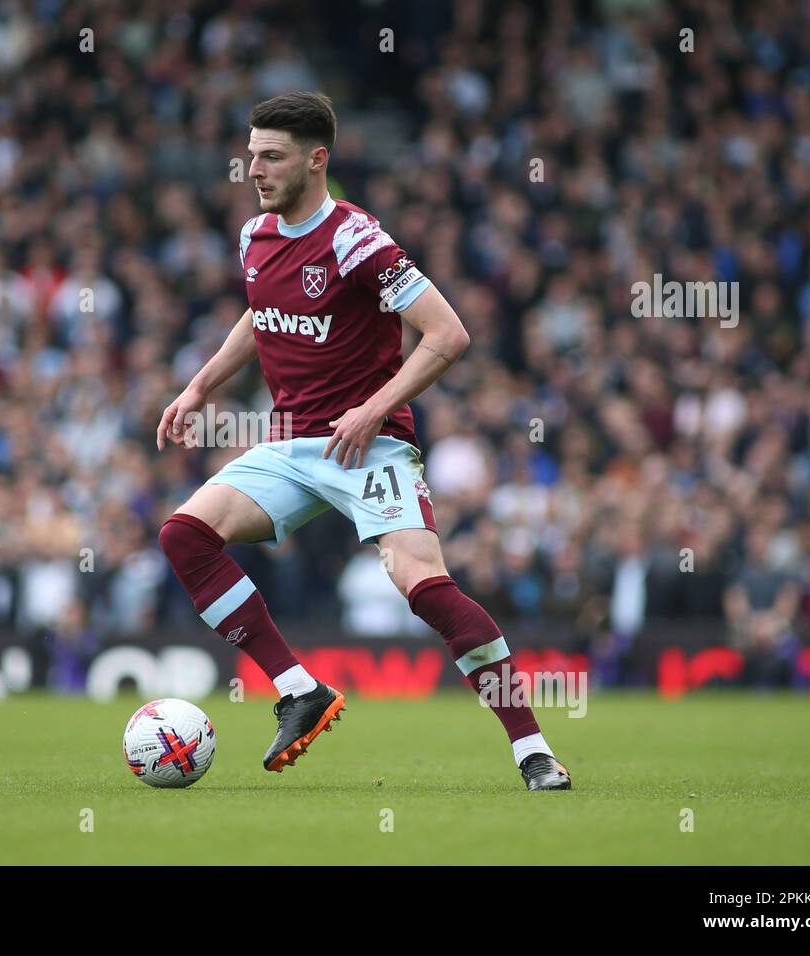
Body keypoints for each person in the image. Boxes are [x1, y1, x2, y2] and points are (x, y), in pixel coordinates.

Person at [156, 92, 570, 790]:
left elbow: (449, 334)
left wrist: (373, 411)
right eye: (252, 154)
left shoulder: (356, 239)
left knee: (425, 587)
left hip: (367, 447)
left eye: (272, 157)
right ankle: (299, 691)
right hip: (291, 446)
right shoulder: (254, 236)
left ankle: (532, 748)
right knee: (184, 536)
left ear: (317, 160)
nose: (254, 169)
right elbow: (263, 317)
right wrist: (200, 386)